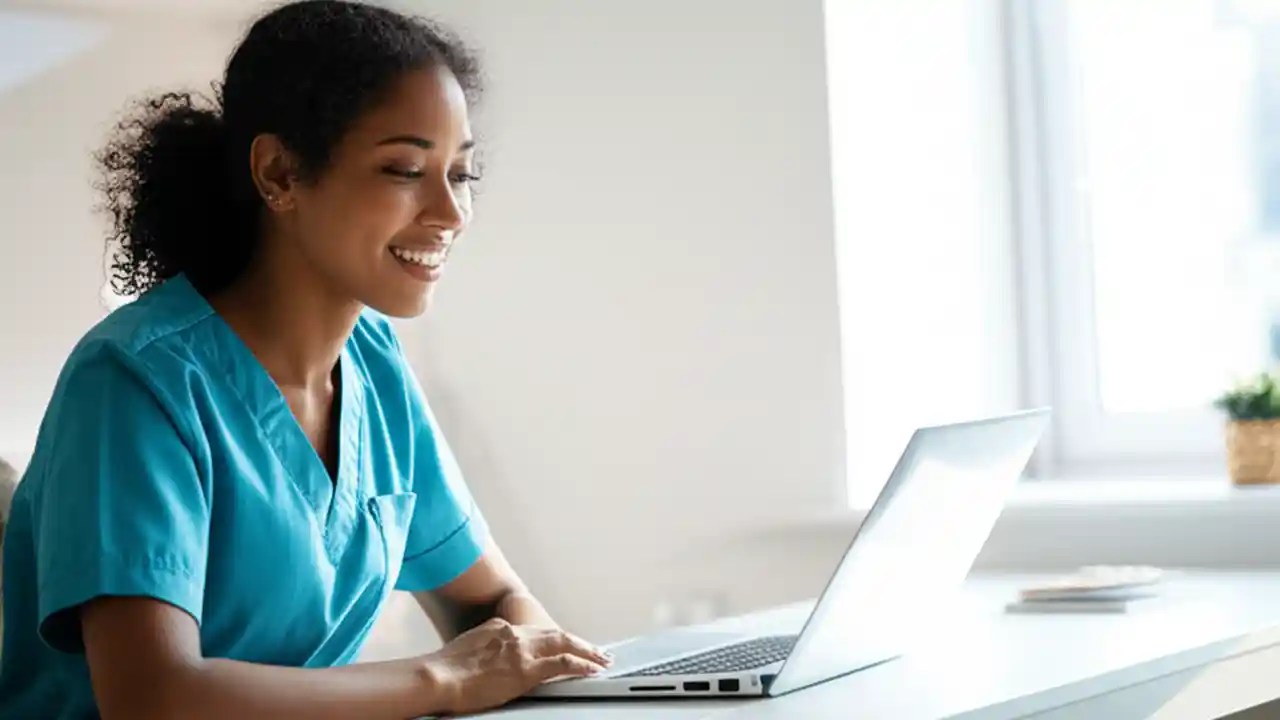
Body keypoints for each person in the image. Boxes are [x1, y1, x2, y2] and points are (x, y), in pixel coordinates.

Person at [0, 2, 612, 717]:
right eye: (406, 169)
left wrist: (531, 660)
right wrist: (443, 680)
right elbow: (152, 697)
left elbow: (495, 605)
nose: (451, 213)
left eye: (462, 175)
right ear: (280, 173)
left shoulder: (372, 362)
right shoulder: (135, 381)